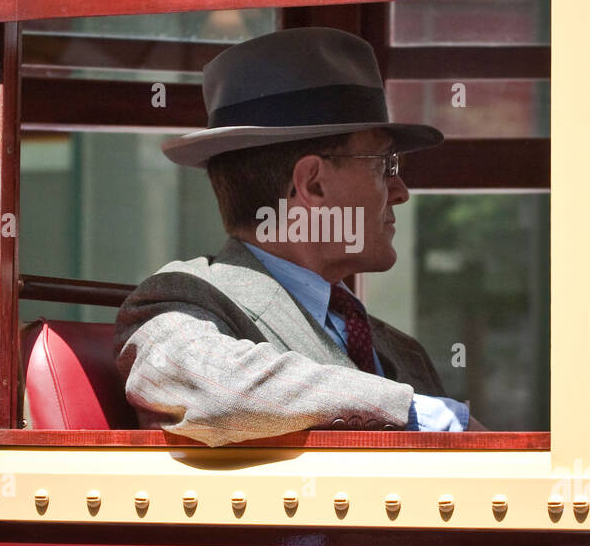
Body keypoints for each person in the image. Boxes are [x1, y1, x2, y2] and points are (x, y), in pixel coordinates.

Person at [114, 27, 482, 446]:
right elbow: (213, 387)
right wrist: (418, 413)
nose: (400, 192)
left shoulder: (400, 350)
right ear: (313, 183)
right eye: (385, 165)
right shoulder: (180, 302)